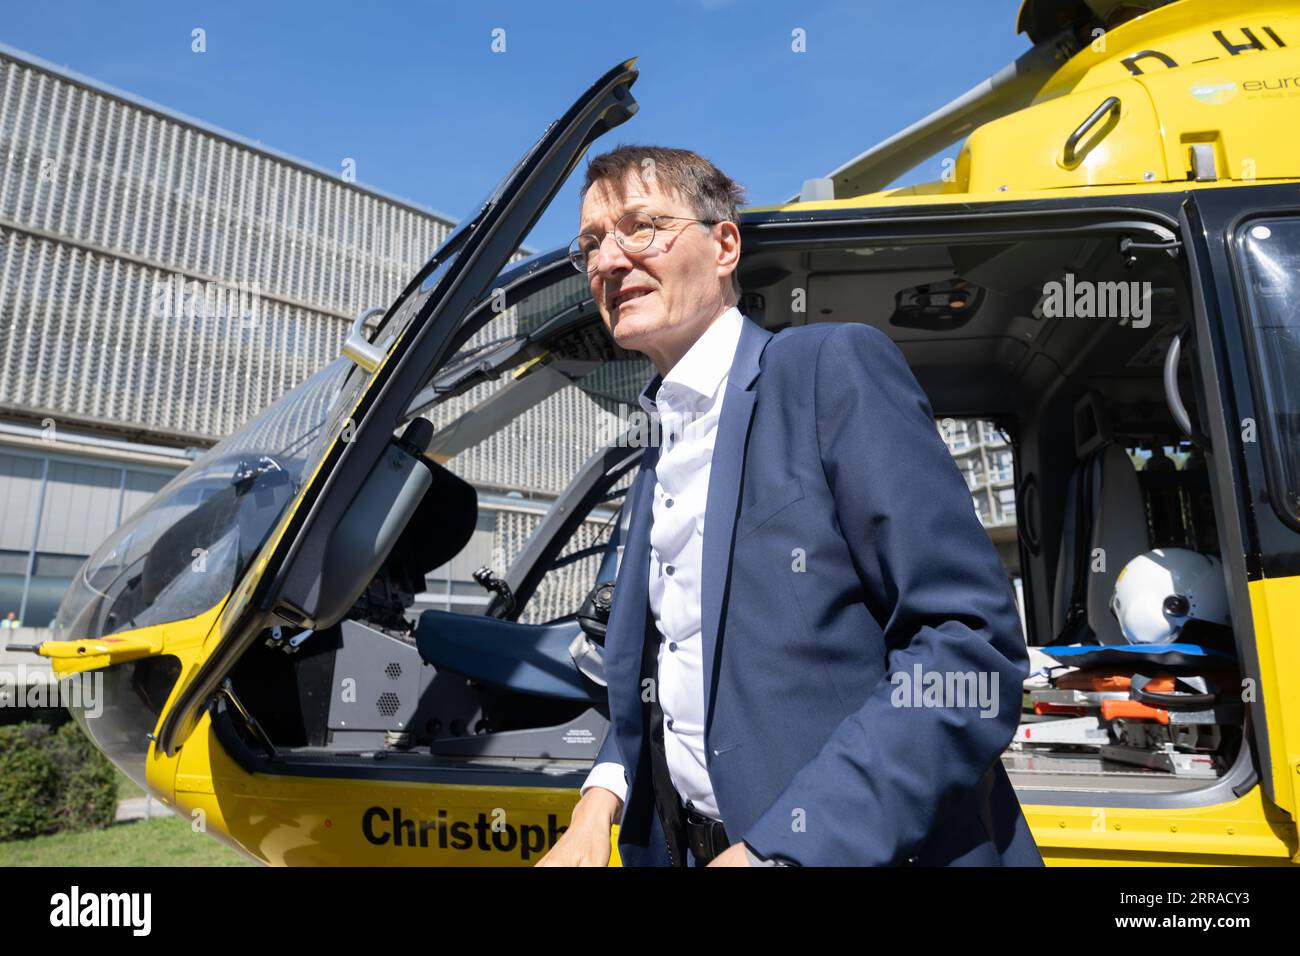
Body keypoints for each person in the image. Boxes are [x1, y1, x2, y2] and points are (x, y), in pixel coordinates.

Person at [537, 145, 1042, 867]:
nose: (608, 262)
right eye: (591, 243)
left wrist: (785, 850)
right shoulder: (660, 441)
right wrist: (600, 802)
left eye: (641, 226)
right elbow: (662, 671)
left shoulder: (828, 371)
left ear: (724, 245)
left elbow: (967, 649)